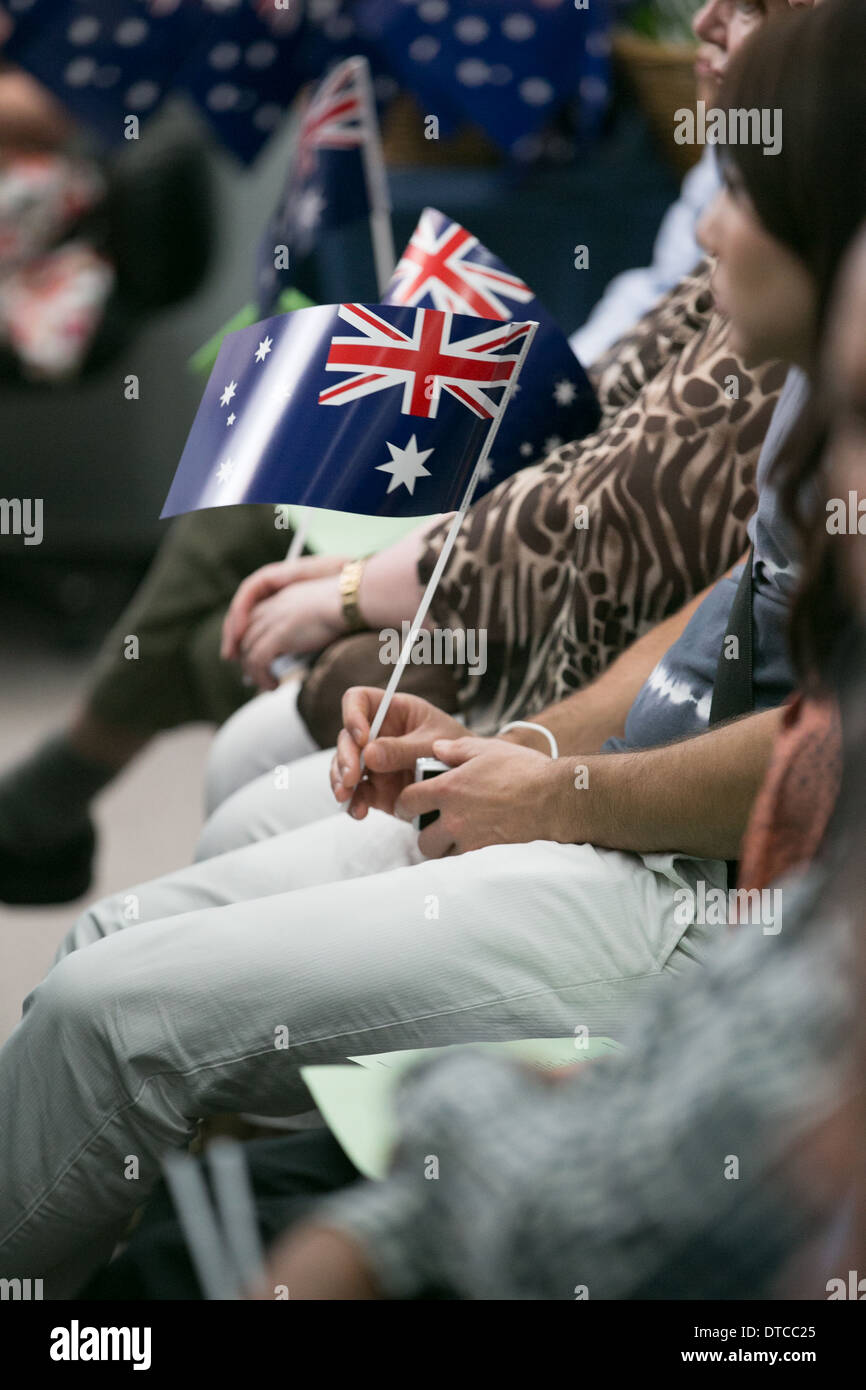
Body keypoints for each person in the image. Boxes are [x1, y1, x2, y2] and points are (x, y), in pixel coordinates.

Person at [1, 0, 859, 1299]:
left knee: (107, 1015)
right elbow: (716, 624)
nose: (707, 226)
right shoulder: (800, 358)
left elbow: (791, 729)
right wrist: (509, 749)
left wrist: (541, 770)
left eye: (740, 191)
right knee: (114, 940)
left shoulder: (802, 363)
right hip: (622, 808)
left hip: (691, 891)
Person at [0, 0, 784, 904]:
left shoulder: (796, 225)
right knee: (282, 443)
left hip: (572, 554)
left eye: (765, 6)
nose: (711, 19)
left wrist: (356, 588)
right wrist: (512, 396)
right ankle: (85, 772)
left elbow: (639, 488)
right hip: (565, 418)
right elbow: (631, 345)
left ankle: (83, 770)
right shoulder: (733, 172)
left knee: (284, 676)